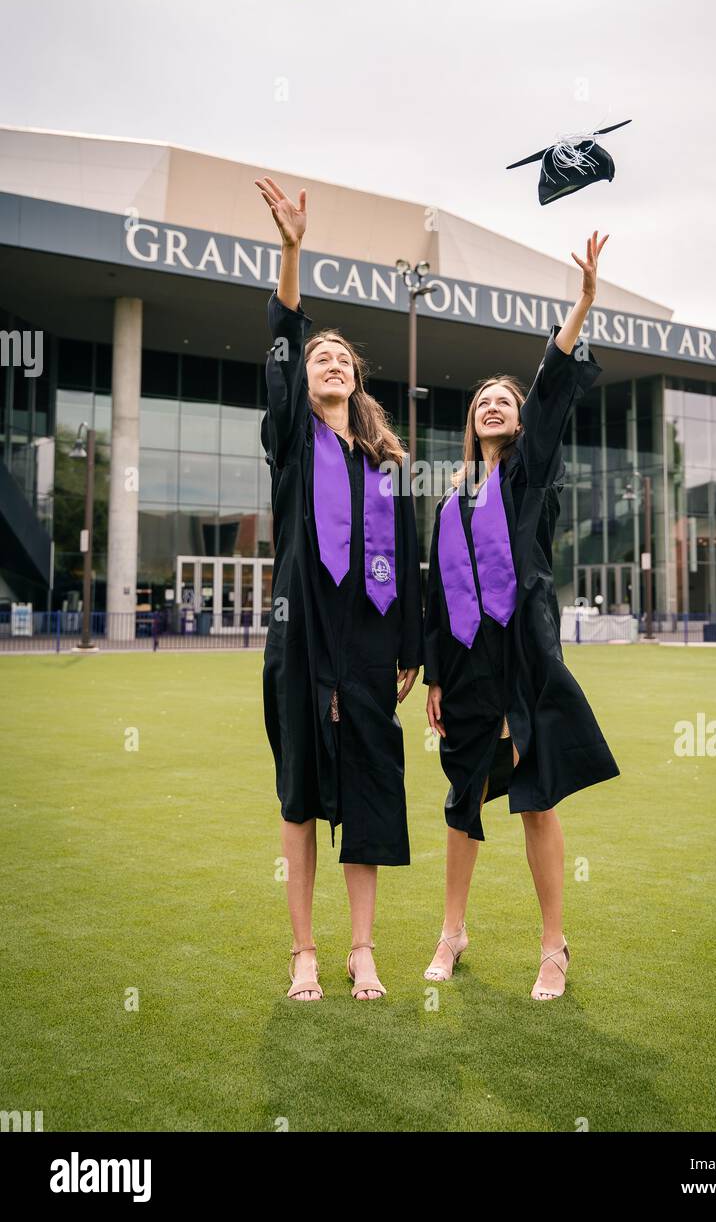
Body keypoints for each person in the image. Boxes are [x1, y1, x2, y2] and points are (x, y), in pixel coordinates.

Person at [422, 231, 620, 1000]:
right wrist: (435, 676)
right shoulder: (447, 506)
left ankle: (551, 947)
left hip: (526, 659)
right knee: (461, 799)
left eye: (506, 400)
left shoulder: (530, 476)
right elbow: (437, 598)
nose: (498, 406)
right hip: (468, 665)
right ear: (472, 424)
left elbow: (551, 388)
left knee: (536, 797)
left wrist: (582, 304)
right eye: (484, 402)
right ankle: (452, 931)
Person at [256, 177, 423, 1002]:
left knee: (365, 792)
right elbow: (284, 343)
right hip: (301, 638)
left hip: (366, 645)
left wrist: (413, 650)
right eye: (320, 355)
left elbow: (414, 565)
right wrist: (292, 252)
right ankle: (303, 952)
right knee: (300, 792)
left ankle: (362, 948)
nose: (327, 361)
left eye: (341, 358)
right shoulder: (292, 440)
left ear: (357, 382)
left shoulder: (387, 471)